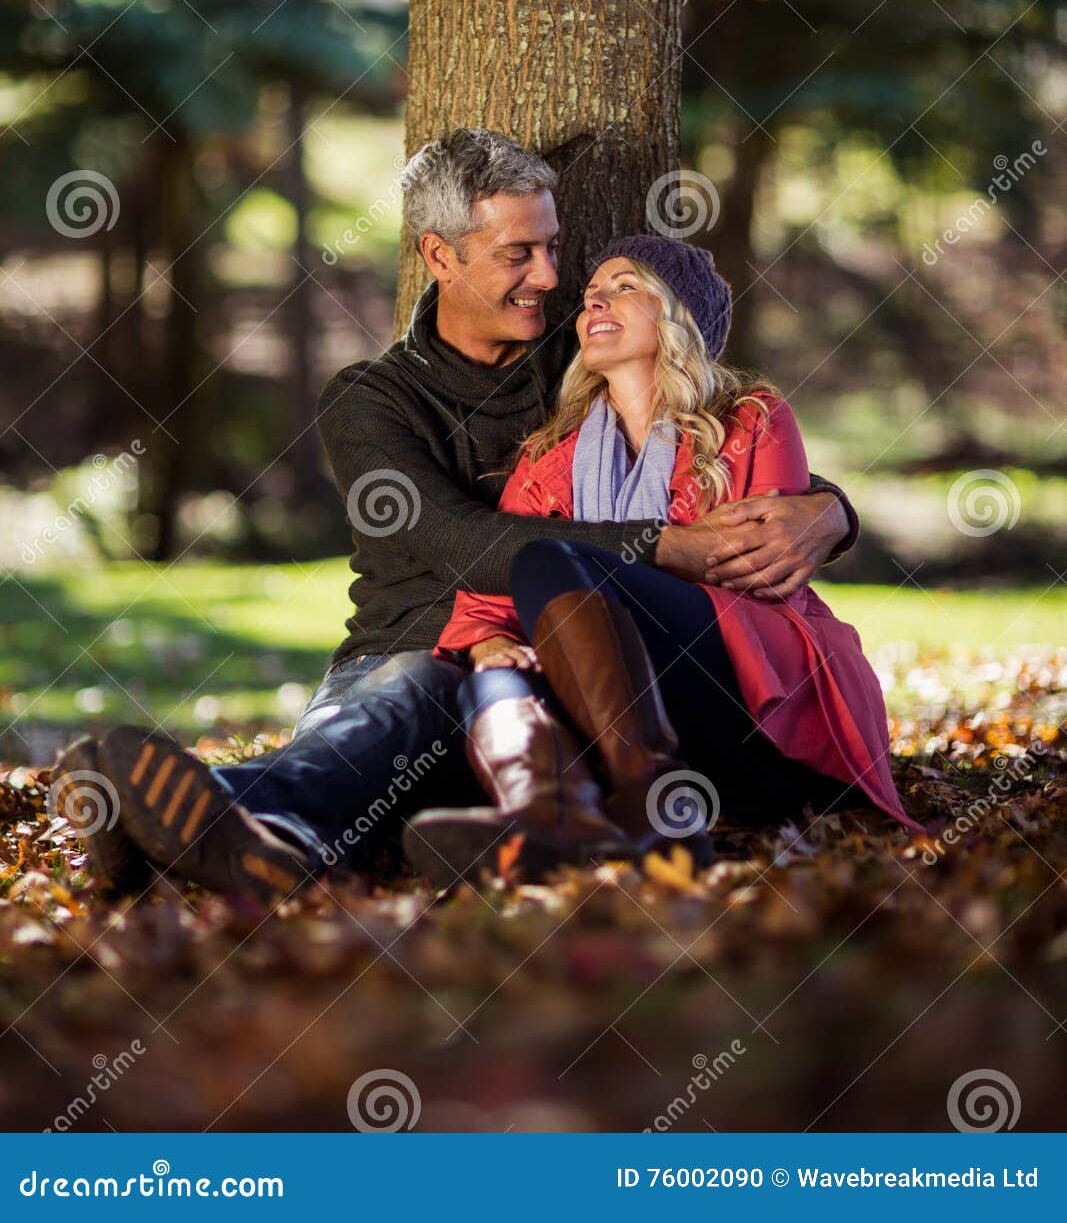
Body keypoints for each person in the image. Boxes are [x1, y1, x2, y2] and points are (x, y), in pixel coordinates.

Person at [51, 132, 861, 904]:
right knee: (399, 704)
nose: (549, 277)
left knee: (412, 748)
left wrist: (828, 510)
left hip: (556, 669)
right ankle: (253, 828)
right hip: (408, 653)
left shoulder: (576, 358)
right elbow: (457, 540)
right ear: (440, 256)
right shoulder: (372, 400)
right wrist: (660, 547)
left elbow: (698, 433)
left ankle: (221, 820)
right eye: (518, 254)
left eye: (551, 249)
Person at [404, 235, 920, 884]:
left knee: (550, 558)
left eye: (623, 286)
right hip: (642, 729)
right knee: (497, 674)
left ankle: (637, 808)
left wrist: (597, 575)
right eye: (591, 295)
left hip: (752, 713)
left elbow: (750, 564)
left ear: (678, 313)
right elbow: (486, 602)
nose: (595, 301)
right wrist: (486, 645)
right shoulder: (547, 457)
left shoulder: (749, 419)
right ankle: (555, 818)